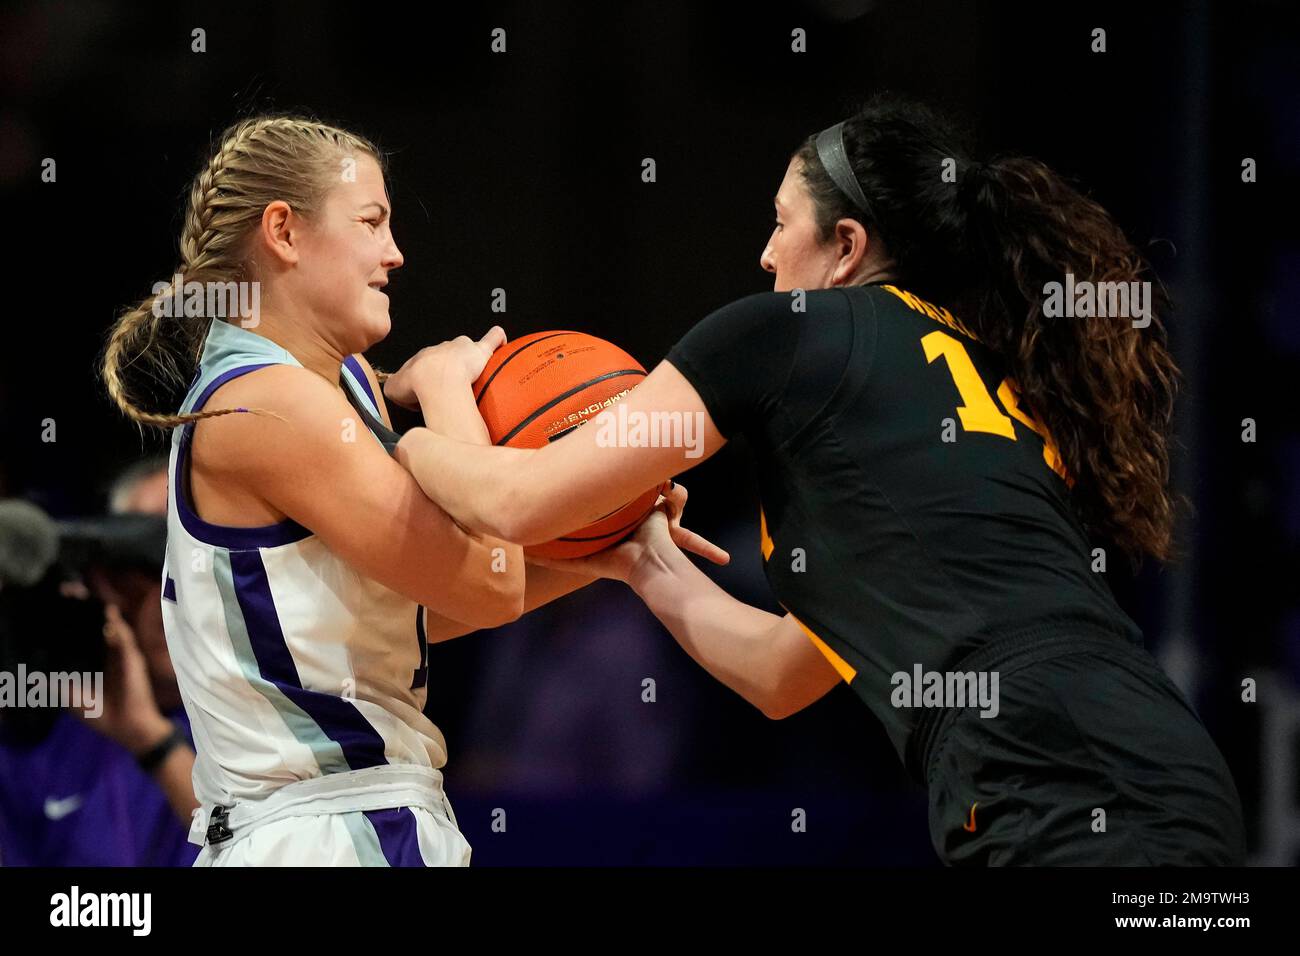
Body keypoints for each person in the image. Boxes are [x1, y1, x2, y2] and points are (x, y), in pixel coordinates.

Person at [390, 95, 1247, 865]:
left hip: (1046, 770)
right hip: (1158, 760)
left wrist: (432, 395)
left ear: (845, 247)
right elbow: (780, 675)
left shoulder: (784, 335)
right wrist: (641, 558)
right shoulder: (985, 384)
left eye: (780, 223)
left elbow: (512, 501)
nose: (765, 257)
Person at [99, 113, 728, 866]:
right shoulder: (269, 401)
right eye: (371, 222)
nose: (395, 253)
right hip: (334, 831)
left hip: (333, 828)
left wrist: (608, 556)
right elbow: (486, 586)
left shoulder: (325, 390)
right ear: (284, 232)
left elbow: (410, 613)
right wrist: (442, 392)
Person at [0, 458, 199, 866]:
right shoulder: (42, 730)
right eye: (147, 560)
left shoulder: (276, 727)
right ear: (111, 578)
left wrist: (153, 741)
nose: (172, 588)